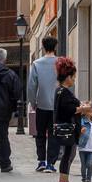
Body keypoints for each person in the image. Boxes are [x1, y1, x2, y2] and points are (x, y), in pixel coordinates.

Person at [52, 57, 92, 182]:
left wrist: (80, 105)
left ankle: (63, 181)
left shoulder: (60, 91)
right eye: (73, 77)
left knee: (68, 155)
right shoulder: (64, 92)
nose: (74, 79)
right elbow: (69, 110)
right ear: (68, 76)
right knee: (68, 155)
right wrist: (84, 109)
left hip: (66, 128)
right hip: (68, 129)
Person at [27, 36, 60, 174]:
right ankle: (51, 163)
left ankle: (41, 161)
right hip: (57, 105)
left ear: (43, 47)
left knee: (40, 134)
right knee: (54, 134)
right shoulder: (61, 63)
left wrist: (33, 102)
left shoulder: (36, 63)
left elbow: (31, 86)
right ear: (55, 47)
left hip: (41, 104)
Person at [77, 101, 92, 182]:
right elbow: (78, 128)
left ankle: (88, 180)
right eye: (89, 110)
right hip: (83, 145)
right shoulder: (81, 120)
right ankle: (84, 179)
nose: (91, 111)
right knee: (84, 164)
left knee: (89, 164)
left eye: (91, 110)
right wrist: (80, 130)